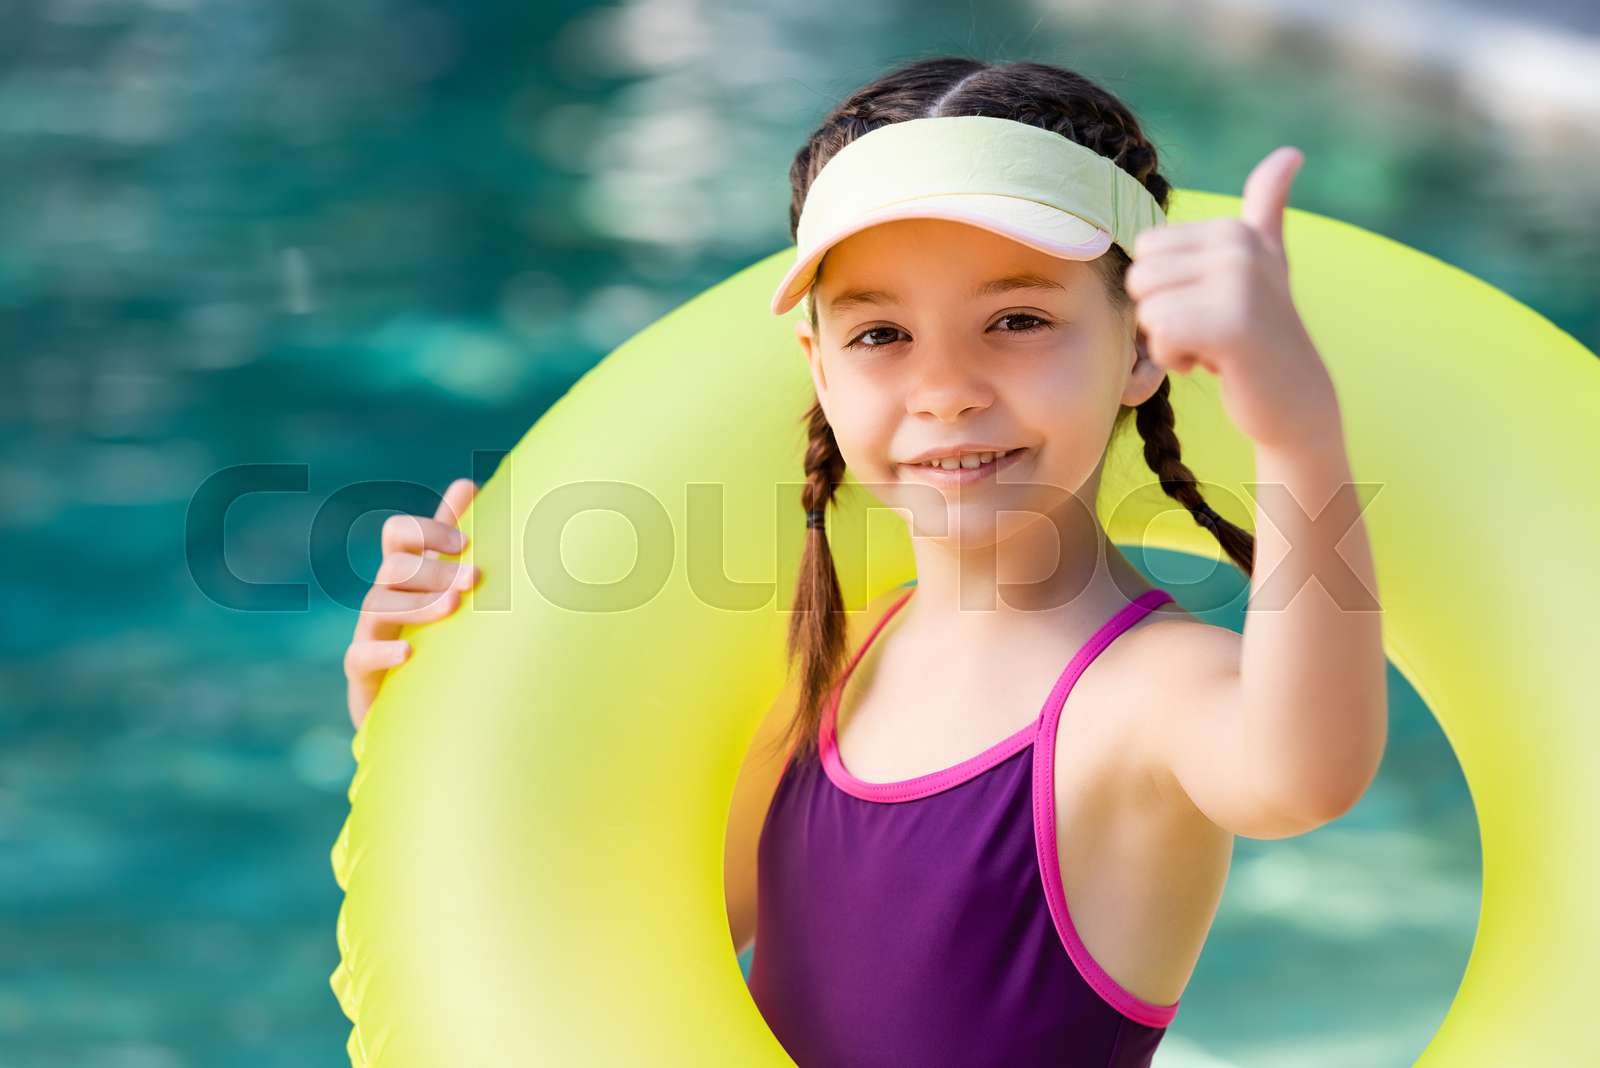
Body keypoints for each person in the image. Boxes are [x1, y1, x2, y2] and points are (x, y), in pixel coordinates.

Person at [345, 55, 1386, 1068]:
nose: (945, 388)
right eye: (882, 334)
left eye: (1016, 320)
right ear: (819, 370)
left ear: (1141, 347)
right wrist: (415, 713)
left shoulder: (1144, 693)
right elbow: (600, 951)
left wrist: (1296, 433)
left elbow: (1300, 776)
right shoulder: (830, 664)